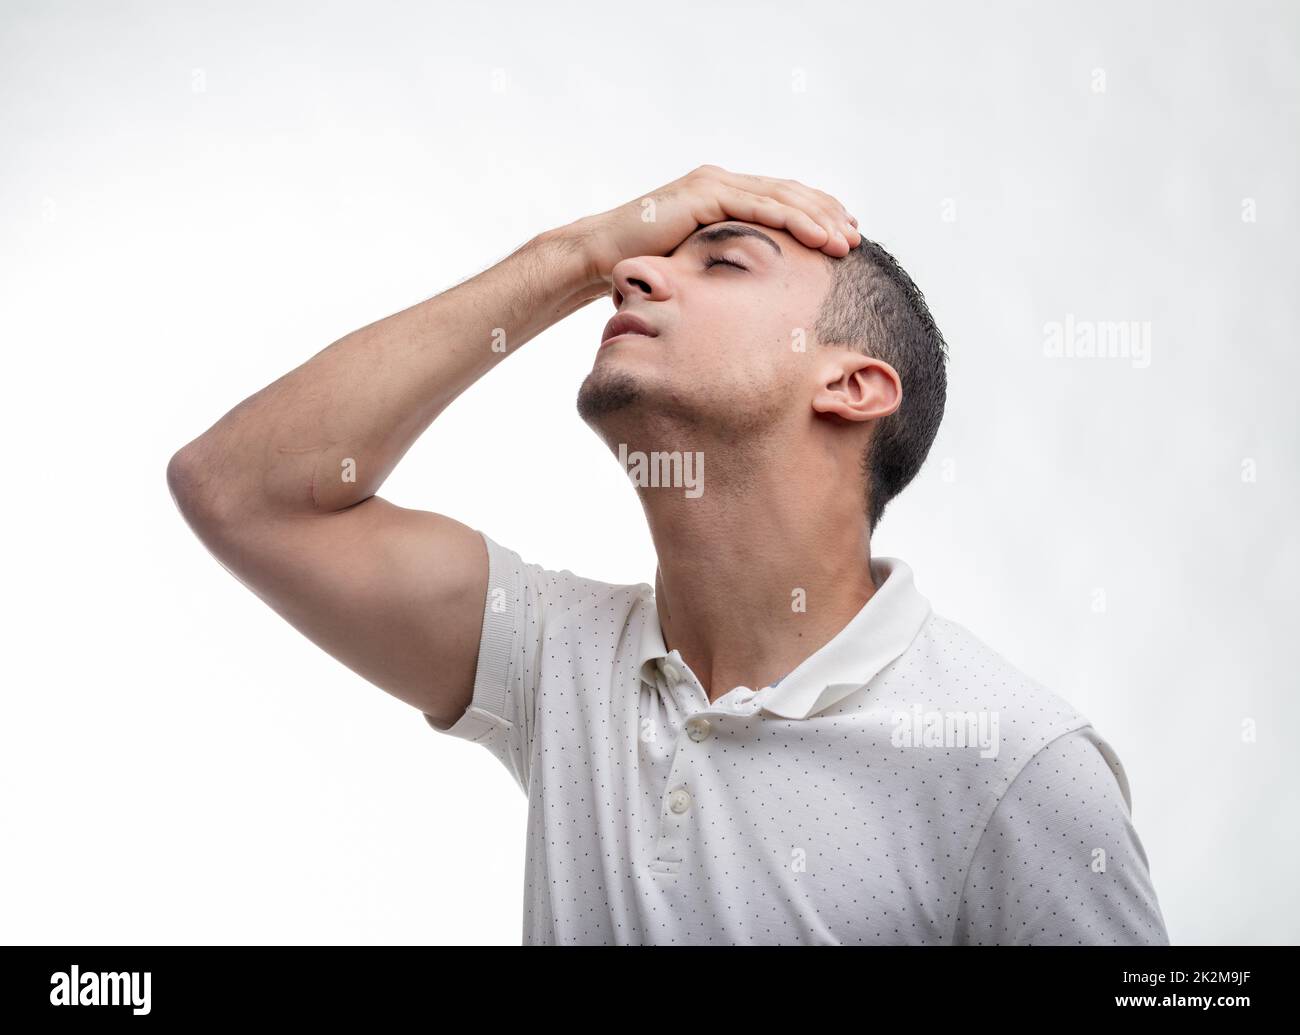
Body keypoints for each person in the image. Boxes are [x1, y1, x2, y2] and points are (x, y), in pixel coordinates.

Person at [167, 164, 1170, 946]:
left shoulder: (1012, 765)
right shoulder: (554, 662)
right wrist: (571, 252)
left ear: (853, 386)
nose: (633, 272)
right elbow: (241, 491)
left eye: (723, 263)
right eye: (641, 257)